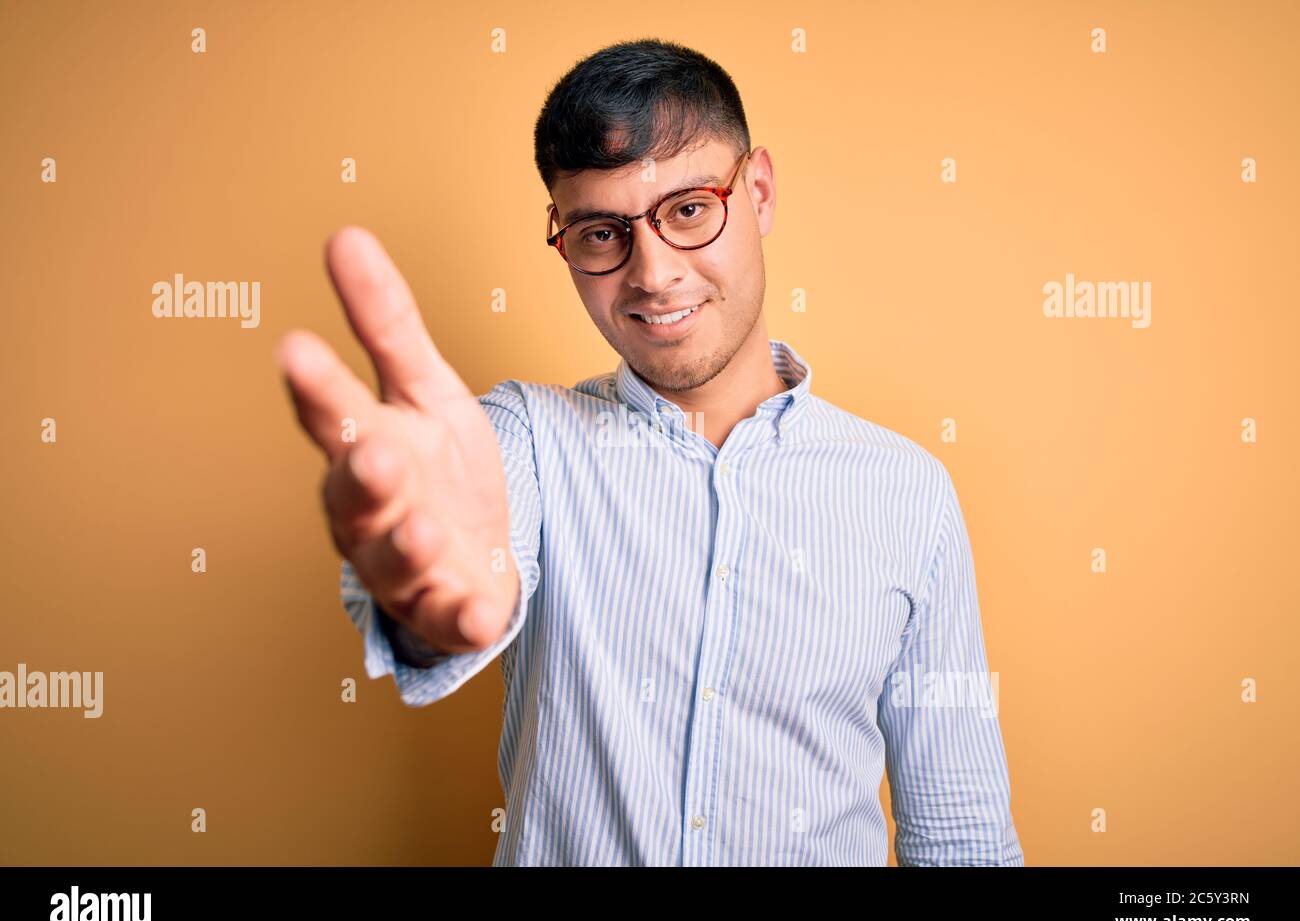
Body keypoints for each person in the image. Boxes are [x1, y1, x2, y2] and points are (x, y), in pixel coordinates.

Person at [275, 38, 1023, 867]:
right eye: (602, 233)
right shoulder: (527, 437)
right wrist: (426, 608)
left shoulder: (907, 492)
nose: (654, 274)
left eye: (690, 208)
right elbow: (461, 542)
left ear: (760, 190)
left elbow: (961, 839)